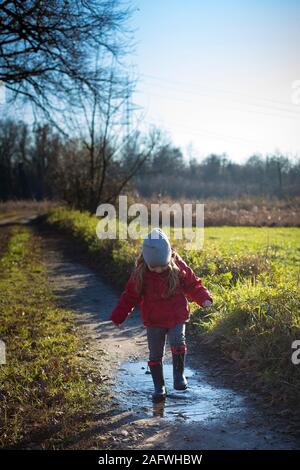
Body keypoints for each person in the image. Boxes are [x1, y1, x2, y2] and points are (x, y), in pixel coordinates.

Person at [109, 227, 213, 402]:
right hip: (154, 319)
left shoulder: (177, 265)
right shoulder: (141, 272)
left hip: (176, 316)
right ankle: (159, 387)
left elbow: (193, 284)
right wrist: (119, 316)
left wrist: (204, 299)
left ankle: (179, 376)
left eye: (162, 266)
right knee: (155, 353)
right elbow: (130, 296)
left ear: (168, 259)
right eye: (153, 267)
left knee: (178, 341)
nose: (158, 270)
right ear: (147, 262)